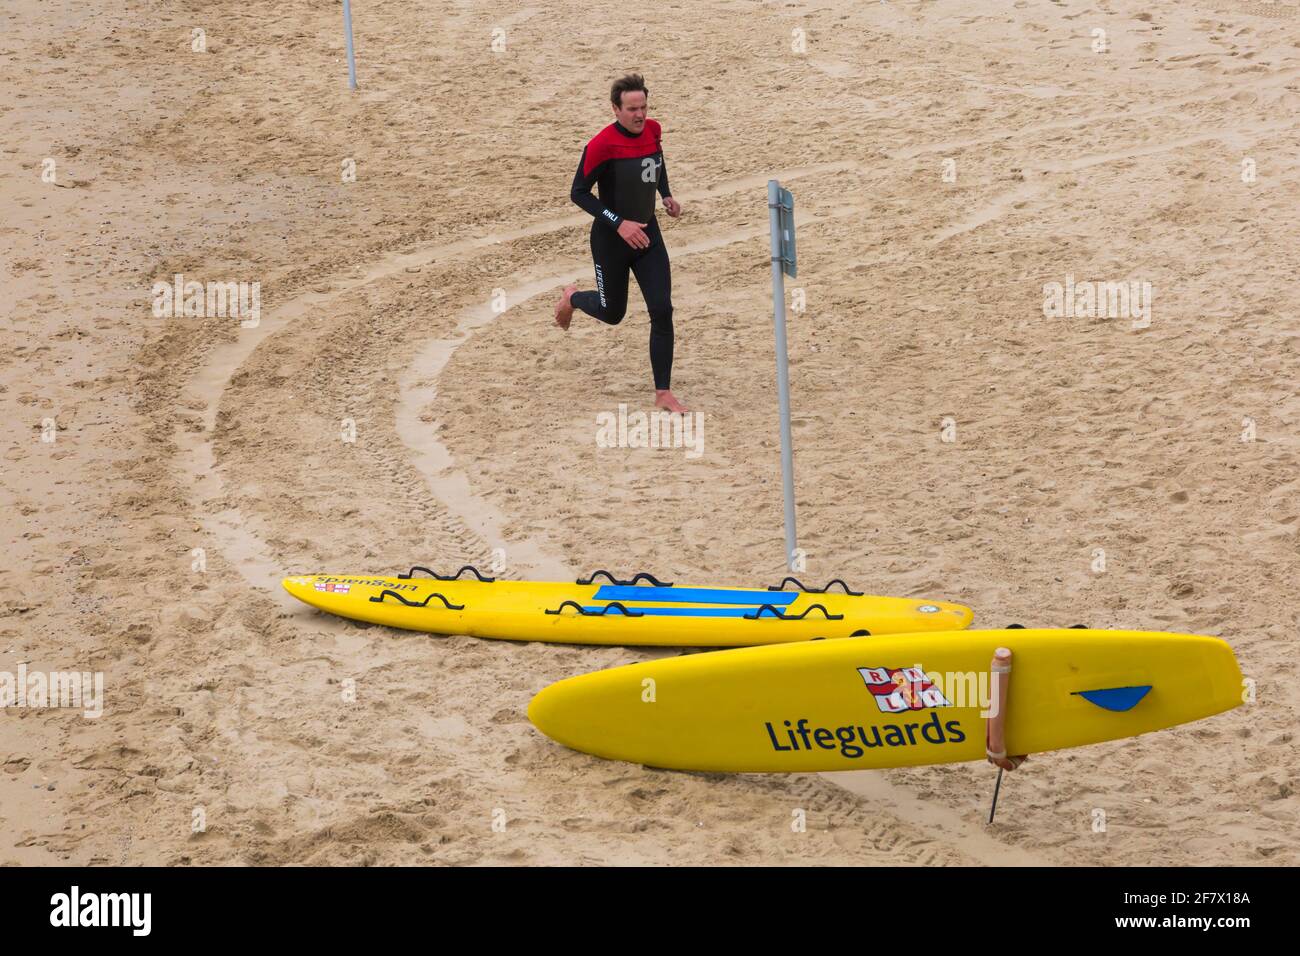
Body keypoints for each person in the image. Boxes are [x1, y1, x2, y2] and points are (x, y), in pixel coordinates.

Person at [555, 73, 688, 413]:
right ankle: (572, 297)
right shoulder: (601, 145)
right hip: (611, 241)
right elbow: (578, 193)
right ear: (615, 108)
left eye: (643, 107)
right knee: (613, 312)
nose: (639, 115)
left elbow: (655, 163)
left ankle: (663, 392)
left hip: (649, 236)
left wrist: (666, 194)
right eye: (631, 109)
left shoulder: (653, 131)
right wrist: (618, 223)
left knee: (662, 310)